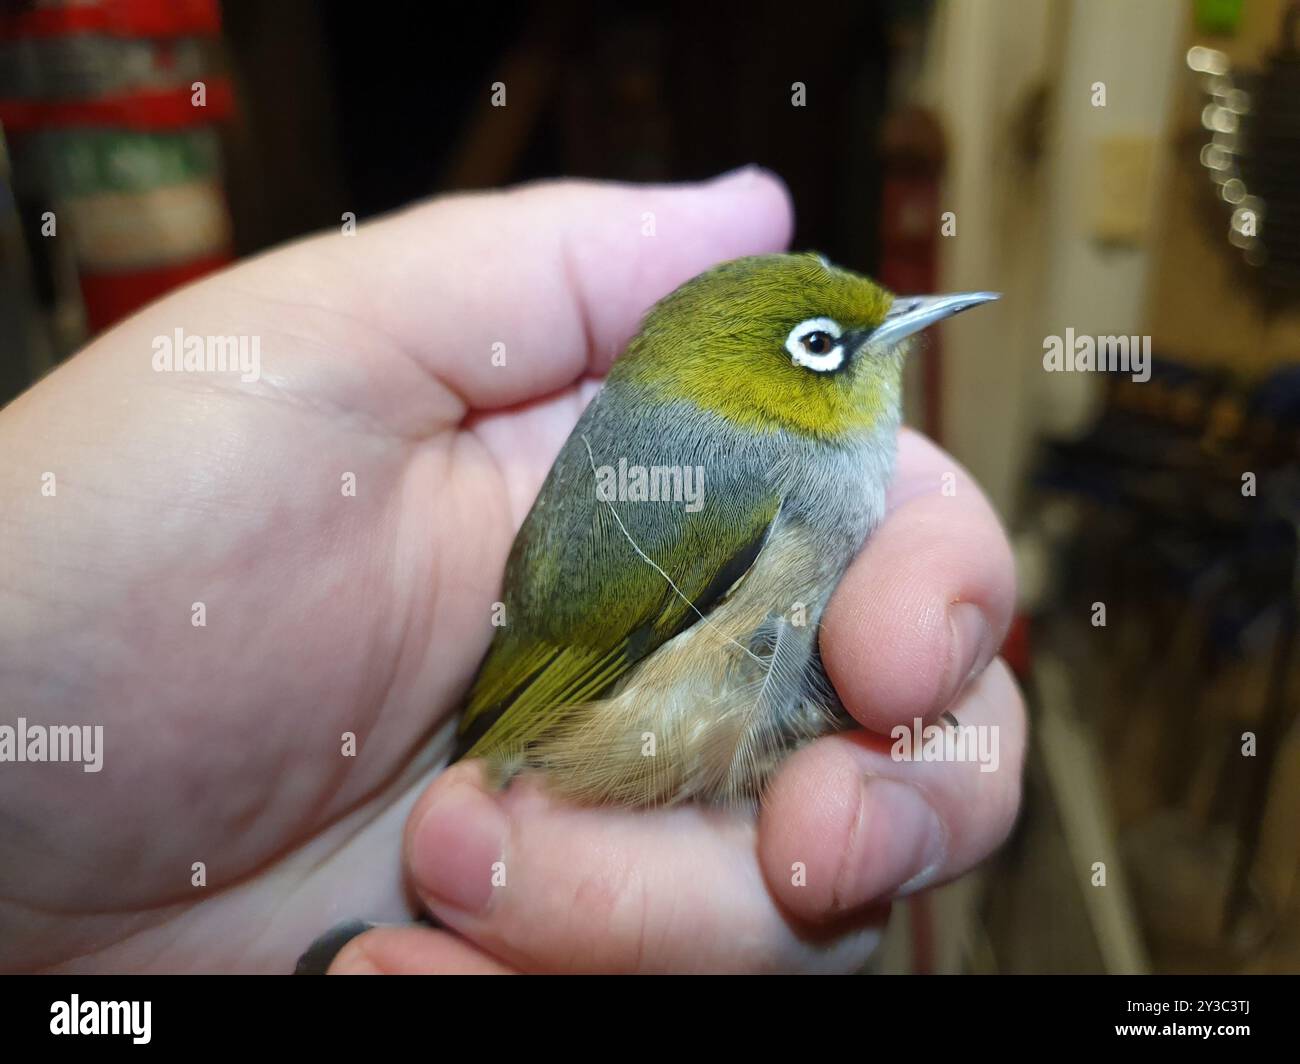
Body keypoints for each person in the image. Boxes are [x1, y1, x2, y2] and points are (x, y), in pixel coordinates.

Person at [0, 168, 1024, 974]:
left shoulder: (751, 457)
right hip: (517, 756)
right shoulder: (747, 472)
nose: (899, 331)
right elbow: (577, 699)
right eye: (823, 342)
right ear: (774, 371)